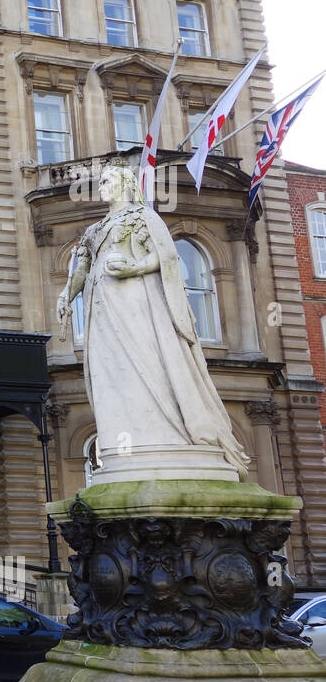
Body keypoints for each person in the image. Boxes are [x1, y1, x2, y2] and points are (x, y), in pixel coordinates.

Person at [55, 162, 249, 482]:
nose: (101, 186)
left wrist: (134, 268)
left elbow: (167, 257)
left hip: (136, 304)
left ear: (126, 185)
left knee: (147, 363)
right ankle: (128, 437)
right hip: (102, 307)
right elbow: (82, 268)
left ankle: (164, 434)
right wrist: (67, 294)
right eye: (100, 181)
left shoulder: (142, 217)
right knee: (112, 371)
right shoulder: (95, 229)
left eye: (107, 181)